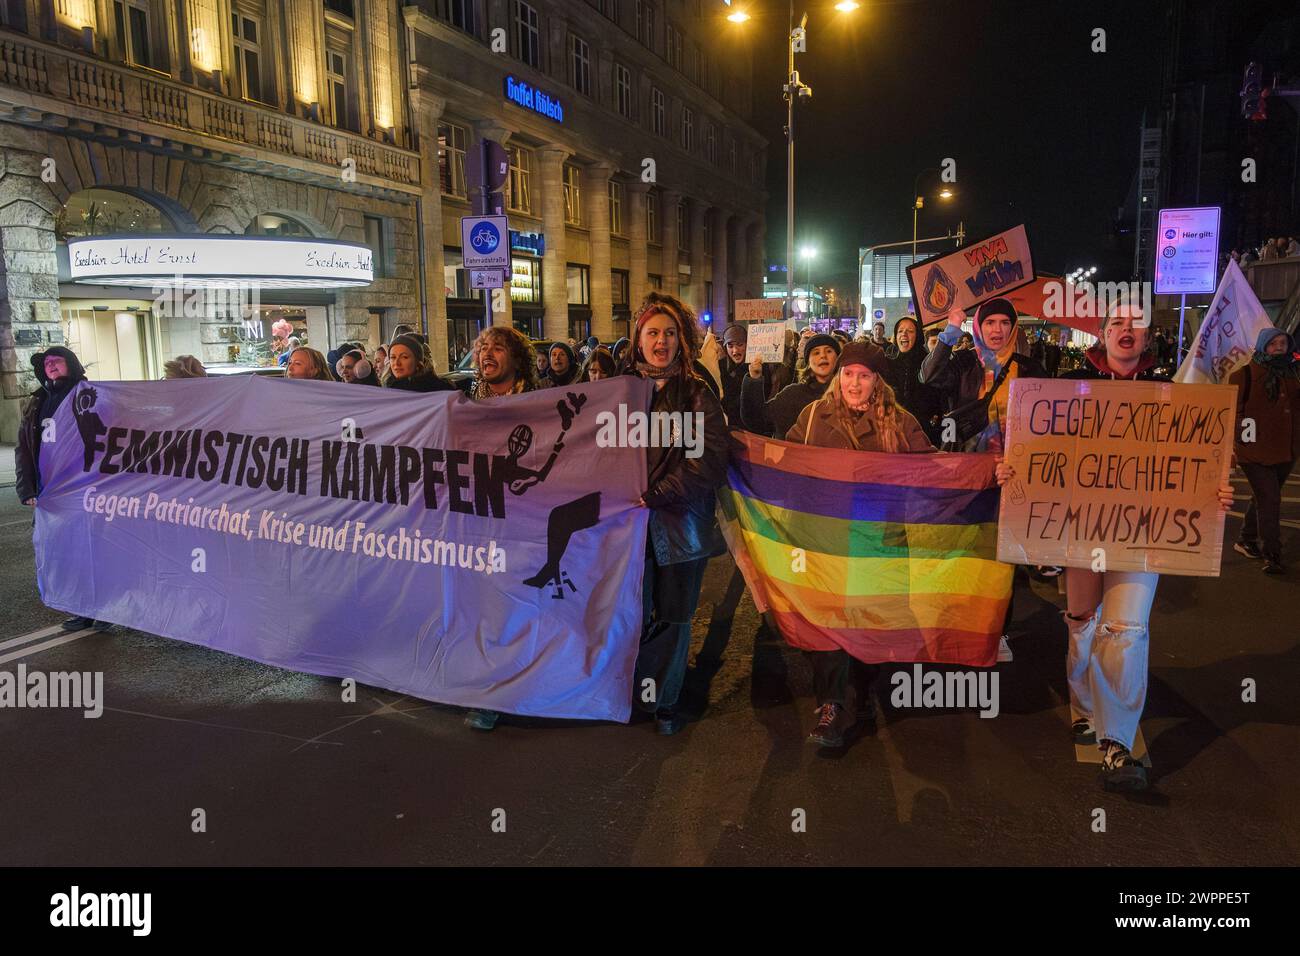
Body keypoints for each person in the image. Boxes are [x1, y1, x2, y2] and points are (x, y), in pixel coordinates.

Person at [999, 305, 1236, 790]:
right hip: (1082, 527)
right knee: (1084, 623)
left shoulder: (1174, 389)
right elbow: (1042, 449)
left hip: (1145, 530)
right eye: (1116, 324)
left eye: (1136, 323)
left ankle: (1117, 743)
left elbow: (1197, 457)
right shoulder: (1072, 383)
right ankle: (1085, 709)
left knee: (1126, 628)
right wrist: (1014, 470)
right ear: (1103, 333)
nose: (1126, 331)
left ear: (1148, 334)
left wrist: (1215, 488)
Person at [786, 342, 934, 747]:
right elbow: (786, 463)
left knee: (869, 623)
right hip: (826, 542)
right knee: (828, 625)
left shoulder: (900, 424)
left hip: (878, 543)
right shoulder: (813, 416)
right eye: (848, 373)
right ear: (839, 376)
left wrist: (987, 472)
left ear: (877, 381)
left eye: (864, 376)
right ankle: (832, 705)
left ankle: (864, 691)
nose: (854, 382)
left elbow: (932, 471)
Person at [621, 292, 728, 736]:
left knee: (673, 615)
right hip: (627, 526)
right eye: (652, 333)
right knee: (630, 613)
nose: (660, 342)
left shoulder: (698, 394)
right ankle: (632, 693)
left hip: (679, 526)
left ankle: (663, 702)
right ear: (638, 340)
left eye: (668, 333)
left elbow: (708, 462)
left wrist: (657, 493)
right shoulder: (620, 391)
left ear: (681, 340)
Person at [16, 347, 112, 633]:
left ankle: (105, 607)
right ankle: (81, 609)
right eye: (46, 363)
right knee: (63, 553)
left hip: (84, 489)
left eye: (56, 360)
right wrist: (27, 489)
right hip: (51, 490)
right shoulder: (37, 403)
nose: (51, 366)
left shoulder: (90, 395)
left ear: (71, 364)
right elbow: (24, 449)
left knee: (93, 550)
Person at [921, 298, 1047, 453]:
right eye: (990, 322)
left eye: (1005, 322)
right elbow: (930, 375)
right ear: (979, 327)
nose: (998, 329)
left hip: (1012, 459)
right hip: (967, 459)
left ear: (1013, 328)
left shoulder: (1029, 368)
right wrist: (952, 329)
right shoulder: (963, 361)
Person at [1230, 328, 1300, 574]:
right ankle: (1272, 554)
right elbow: (1234, 413)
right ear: (1263, 346)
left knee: (1263, 496)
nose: (1279, 347)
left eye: (1283, 343)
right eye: (1274, 343)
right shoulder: (1244, 375)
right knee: (1270, 499)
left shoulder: (1293, 373)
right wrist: (1238, 444)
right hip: (1254, 451)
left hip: (1287, 449)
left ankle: (1246, 539)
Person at [740, 332, 841, 439]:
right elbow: (757, 421)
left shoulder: (848, 395)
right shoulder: (793, 395)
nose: (823, 356)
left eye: (829, 351)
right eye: (816, 353)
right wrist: (754, 378)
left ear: (838, 358)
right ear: (808, 362)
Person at [883, 315, 944, 446]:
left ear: (918, 337)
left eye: (910, 331)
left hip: (923, 432)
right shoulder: (887, 362)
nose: (904, 334)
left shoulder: (927, 363)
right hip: (892, 432)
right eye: (900, 331)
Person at [383, 333, 456, 392]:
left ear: (418, 362)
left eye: (404, 357)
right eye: (393, 357)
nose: (397, 363)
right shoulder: (387, 390)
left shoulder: (439, 390)